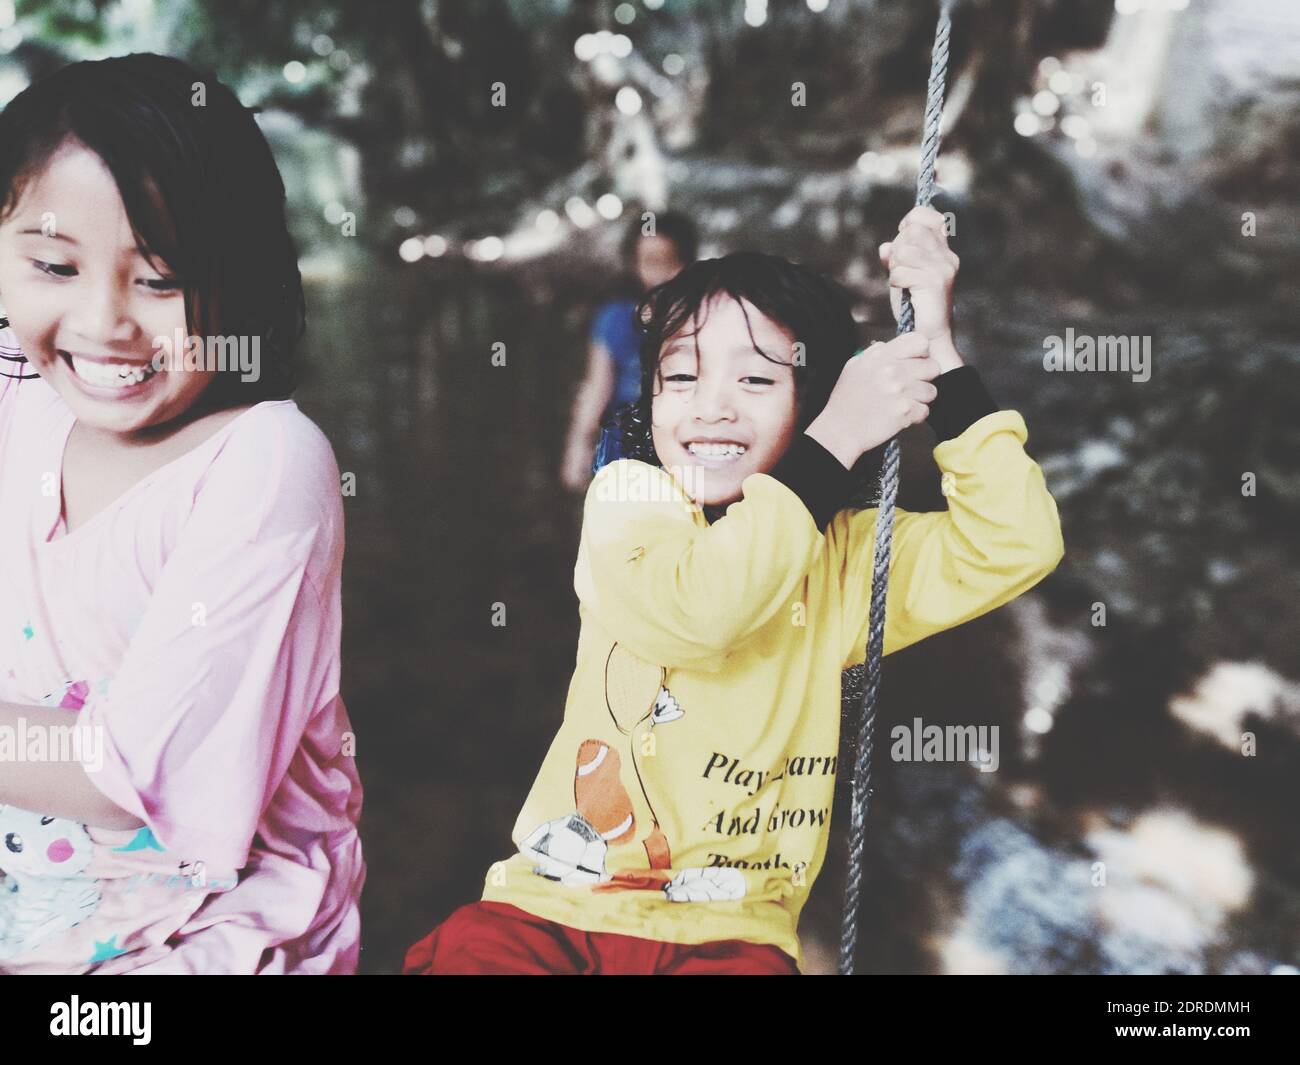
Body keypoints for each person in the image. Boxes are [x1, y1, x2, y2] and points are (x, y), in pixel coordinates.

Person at [404, 206, 1065, 974]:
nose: (711, 405)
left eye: (755, 378)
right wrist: (830, 445)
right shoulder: (629, 500)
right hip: (552, 909)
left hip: (728, 935)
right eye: (680, 376)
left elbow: (1015, 541)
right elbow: (697, 612)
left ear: (818, 405)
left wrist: (940, 356)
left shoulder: (842, 559)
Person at [0, 54, 363, 973]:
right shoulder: (22, 395)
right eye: (52, 265)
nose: (103, 323)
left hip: (211, 933)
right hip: (34, 901)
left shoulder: (264, 461)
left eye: (160, 279)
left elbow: (126, 772)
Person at [560, 210, 698, 492]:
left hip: (684, 447)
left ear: (689, 263)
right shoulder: (615, 318)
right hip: (626, 443)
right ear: (634, 266)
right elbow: (598, 385)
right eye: (649, 263)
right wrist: (578, 446)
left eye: (671, 262)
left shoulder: (703, 318)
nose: (661, 274)